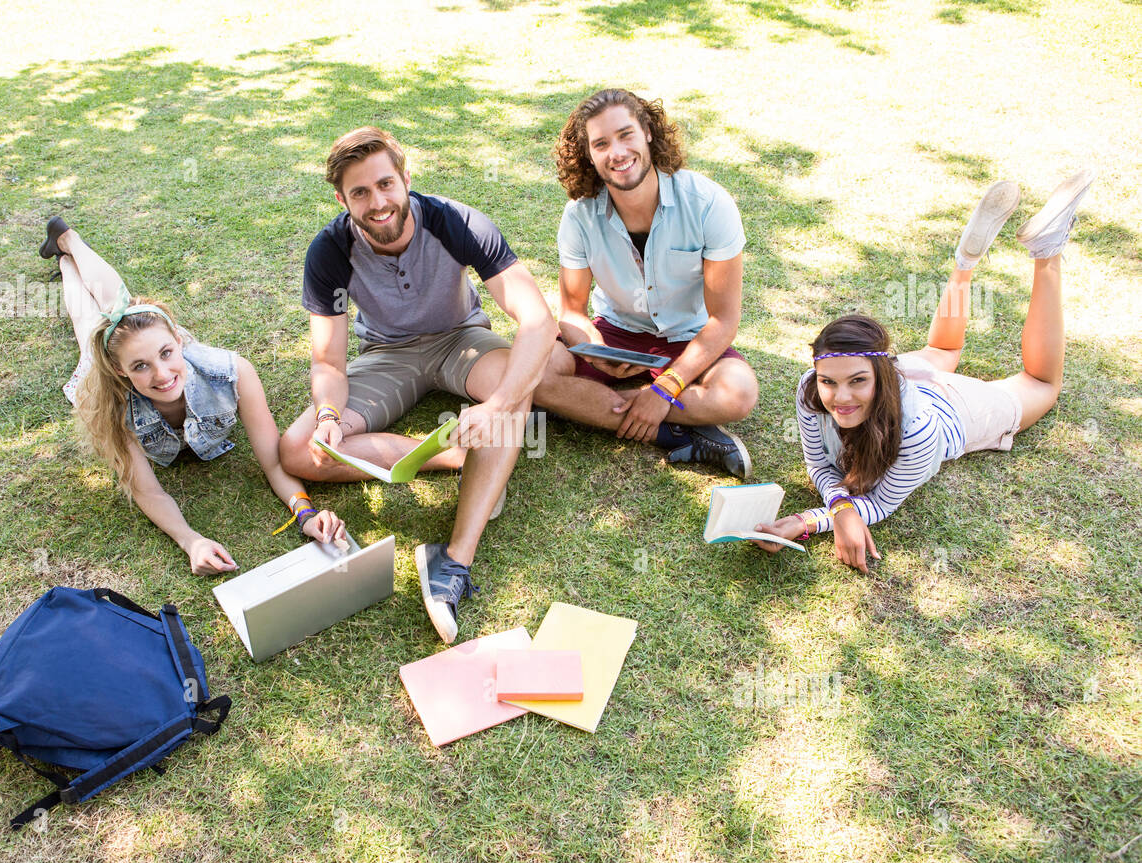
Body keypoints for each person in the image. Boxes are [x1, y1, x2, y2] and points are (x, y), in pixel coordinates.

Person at [277, 127, 558, 643]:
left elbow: (539, 321)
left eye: (386, 184)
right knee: (298, 451)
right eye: (359, 193)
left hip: (462, 339)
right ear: (342, 199)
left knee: (515, 397)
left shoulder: (456, 221)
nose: (377, 202)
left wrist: (496, 404)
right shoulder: (329, 250)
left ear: (406, 179)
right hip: (387, 355)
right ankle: (458, 459)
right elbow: (329, 361)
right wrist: (328, 418)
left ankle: (452, 560)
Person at [753, 169, 1096, 572]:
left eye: (856, 382)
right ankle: (965, 260)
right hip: (912, 374)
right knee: (941, 349)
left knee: (1041, 382)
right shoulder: (812, 389)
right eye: (830, 381)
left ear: (883, 378)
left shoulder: (916, 431)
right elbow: (819, 466)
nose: (839, 398)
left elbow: (880, 503)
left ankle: (1046, 252)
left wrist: (809, 520)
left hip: (958, 411)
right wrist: (841, 507)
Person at [40, 216, 347, 575]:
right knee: (88, 322)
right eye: (140, 366)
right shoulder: (109, 403)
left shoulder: (231, 373)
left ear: (179, 339)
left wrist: (305, 514)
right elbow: (147, 491)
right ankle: (66, 256)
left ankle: (69, 240)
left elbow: (274, 462)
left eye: (166, 353)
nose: (161, 375)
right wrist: (191, 539)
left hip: (161, 342)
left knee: (121, 305)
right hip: (108, 362)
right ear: (122, 370)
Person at [532, 88, 759, 477]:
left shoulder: (707, 203)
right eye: (600, 144)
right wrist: (595, 349)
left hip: (689, 339)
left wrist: (666, 386)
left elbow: (723, 320)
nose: (616, 153)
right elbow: (572, 310)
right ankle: (673, 432)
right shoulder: (579, 216)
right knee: (533, 371)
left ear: (648, 132)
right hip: (615, 333)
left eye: (625, 135)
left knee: (739, 393)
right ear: (589, 154)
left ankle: (587, 405)